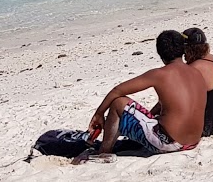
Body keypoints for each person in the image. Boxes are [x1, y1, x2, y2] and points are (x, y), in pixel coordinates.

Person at [76, 30, 206, 163]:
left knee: (118, 103)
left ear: (160, 54)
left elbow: (117, 90)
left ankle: (104, 152)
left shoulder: (160, 74)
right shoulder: (197, 73)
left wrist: (99, 114)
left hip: (169, 142)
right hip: (193, 142)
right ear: (183, 50)